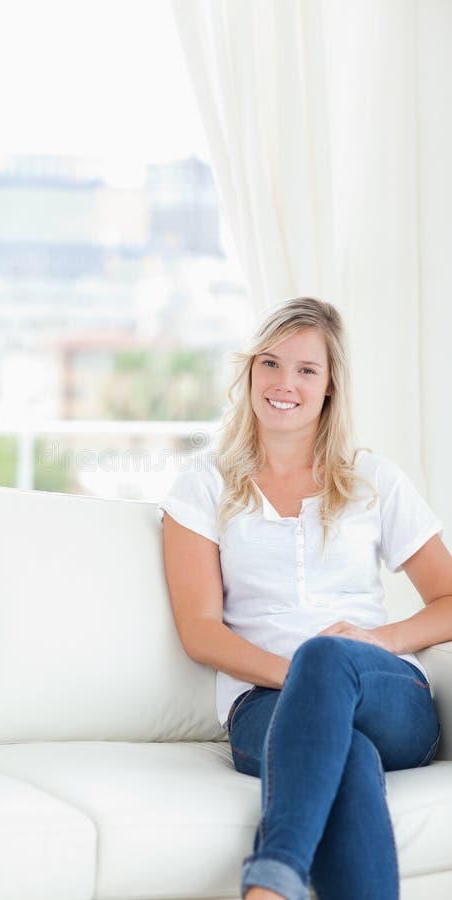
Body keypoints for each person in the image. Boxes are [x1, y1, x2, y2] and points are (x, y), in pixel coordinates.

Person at [159, 297, 452, 900]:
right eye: (269, 363)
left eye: (306, 369)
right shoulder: (202, 487)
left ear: (330, 386)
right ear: (248, 375)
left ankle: (271, 881)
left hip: (385, 692)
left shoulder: (374, 479)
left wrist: (373, 643)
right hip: (261, 703)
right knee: (344, 753)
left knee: (328, 659)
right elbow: (201, 630)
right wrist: (309, 681)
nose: (284, 382)